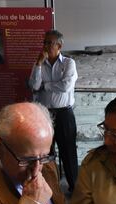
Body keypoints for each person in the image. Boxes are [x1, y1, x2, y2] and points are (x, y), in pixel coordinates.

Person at [28, 30, 78, 193]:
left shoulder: (68, 63)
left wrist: (46, 86)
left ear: (59, 46)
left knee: (68, 152)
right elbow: (34, 86)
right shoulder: (39, 64)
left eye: (50, 43)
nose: (46, 46)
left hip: (64, 114)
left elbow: (65, 86)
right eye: (45, 42)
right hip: (44, 115)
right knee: (46, 153)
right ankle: (49, 188)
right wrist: (38, 64)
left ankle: (75, 187)